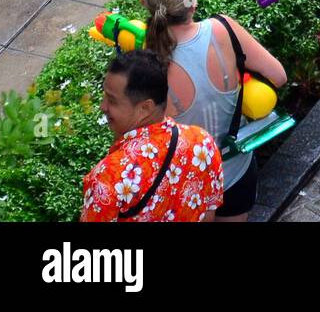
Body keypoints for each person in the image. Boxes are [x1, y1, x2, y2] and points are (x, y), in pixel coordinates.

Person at [141, 0, 287, 222]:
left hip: (188, 191)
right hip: (237, 171)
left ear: (145, 3)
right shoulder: (224, 28)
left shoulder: (147, 64)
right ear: (193, 2)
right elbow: (279, 76)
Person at [81, 49, 224, 222]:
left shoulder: (109, 177)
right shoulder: (202, 142)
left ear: (145, 108)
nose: (103, 106)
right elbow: (208, 214)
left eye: (112, 100)